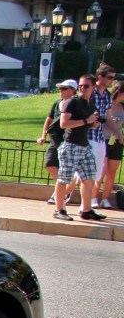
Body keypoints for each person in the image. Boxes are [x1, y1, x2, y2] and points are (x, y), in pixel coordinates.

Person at [53, 77, 106, 222]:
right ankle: (59, 209)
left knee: (89, 178)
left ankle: (86, 210)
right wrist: (85, 121)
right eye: (81, 86)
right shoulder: (73, 102)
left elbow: (86, 123)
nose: (82, 88)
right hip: (71, 145)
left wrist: (91, 125)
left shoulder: (89, 104)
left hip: (84, 145)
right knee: (64, 178)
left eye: (86, 86)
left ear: (93, 87)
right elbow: (64, 123)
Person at [89, 65, 115, 208]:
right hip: (88, 137)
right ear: (100, 77)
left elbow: (109, 119)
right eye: (110, 77)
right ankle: (86, 204)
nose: (112, 80)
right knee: (88, 173)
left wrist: (119, 134)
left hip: (101, 138)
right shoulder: (91, 92)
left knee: (97, 172)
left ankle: (63, 195)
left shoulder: (107, 95)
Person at [96, 82, 124, 209]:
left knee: (111, 172)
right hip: (104, 138)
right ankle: (93, 197)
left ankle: (105, 199)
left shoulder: (122, 106)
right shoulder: (107, 104)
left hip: (117, 141)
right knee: (102, 170)